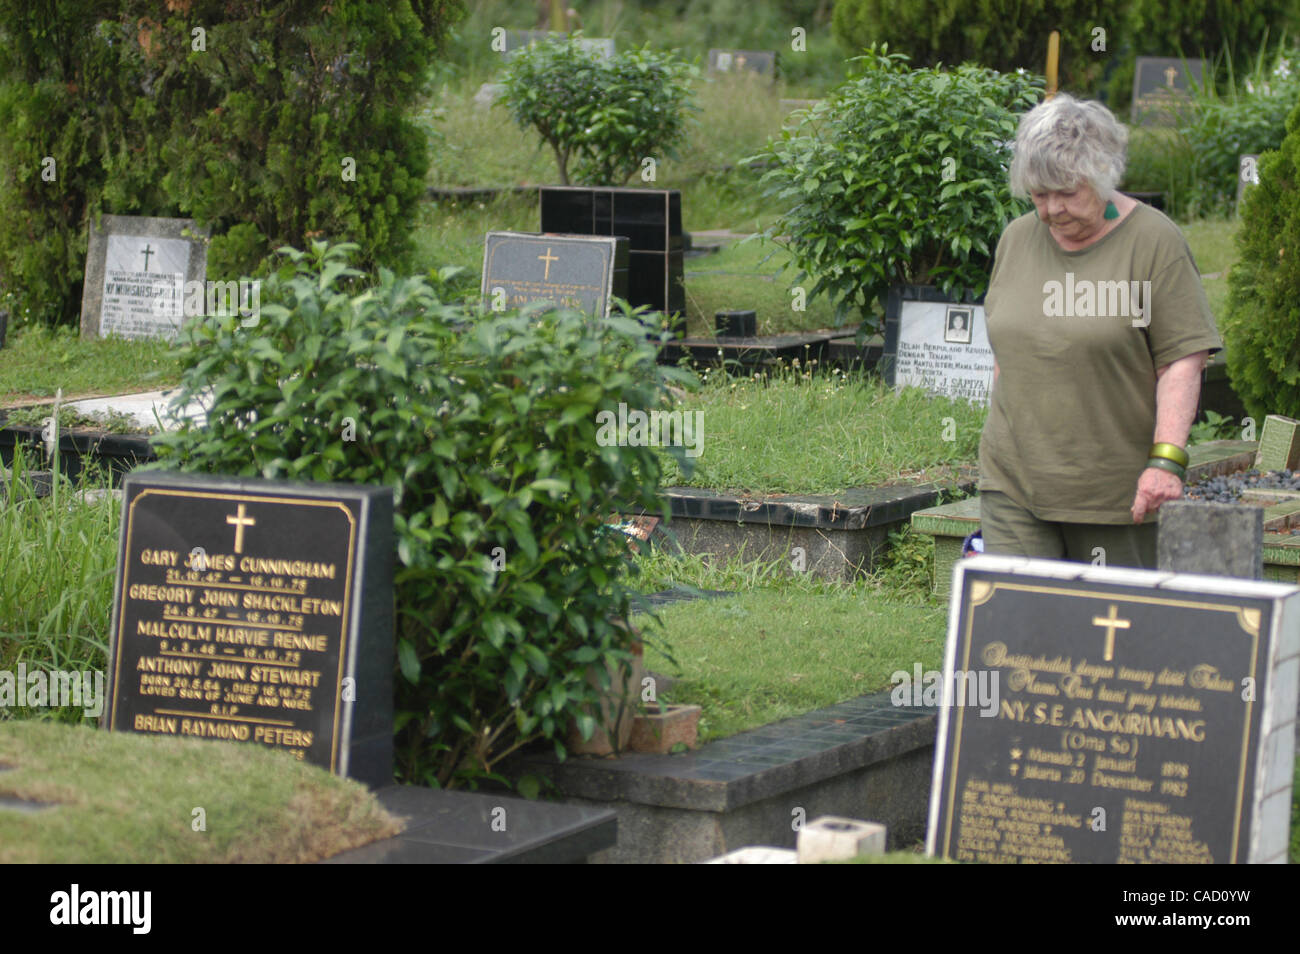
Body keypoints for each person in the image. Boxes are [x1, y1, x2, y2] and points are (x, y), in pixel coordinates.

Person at [977, 93, 1223, 567]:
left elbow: (1181, 361)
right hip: (1013, 485)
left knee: (1113, 634)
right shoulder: (1016, 240)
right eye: (1038, 193)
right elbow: (1006, 350)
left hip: (1118, 496)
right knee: (1021, 633)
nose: (1051, 209)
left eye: (1067, 191)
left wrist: (1165, 462)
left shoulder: (1154, 242)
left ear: (1104, 174)